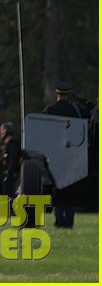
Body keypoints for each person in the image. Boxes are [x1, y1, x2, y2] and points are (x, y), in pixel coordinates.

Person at [44, 81, 90, 228]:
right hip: (74, 154)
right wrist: (83, 100)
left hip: (56, 153)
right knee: (70, 186)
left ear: (57, 94)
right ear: (68, 95)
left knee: (58, 187)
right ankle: (68, 220)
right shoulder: (77, 110)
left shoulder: (50, 110)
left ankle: (59, 219)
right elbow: (93, 114)